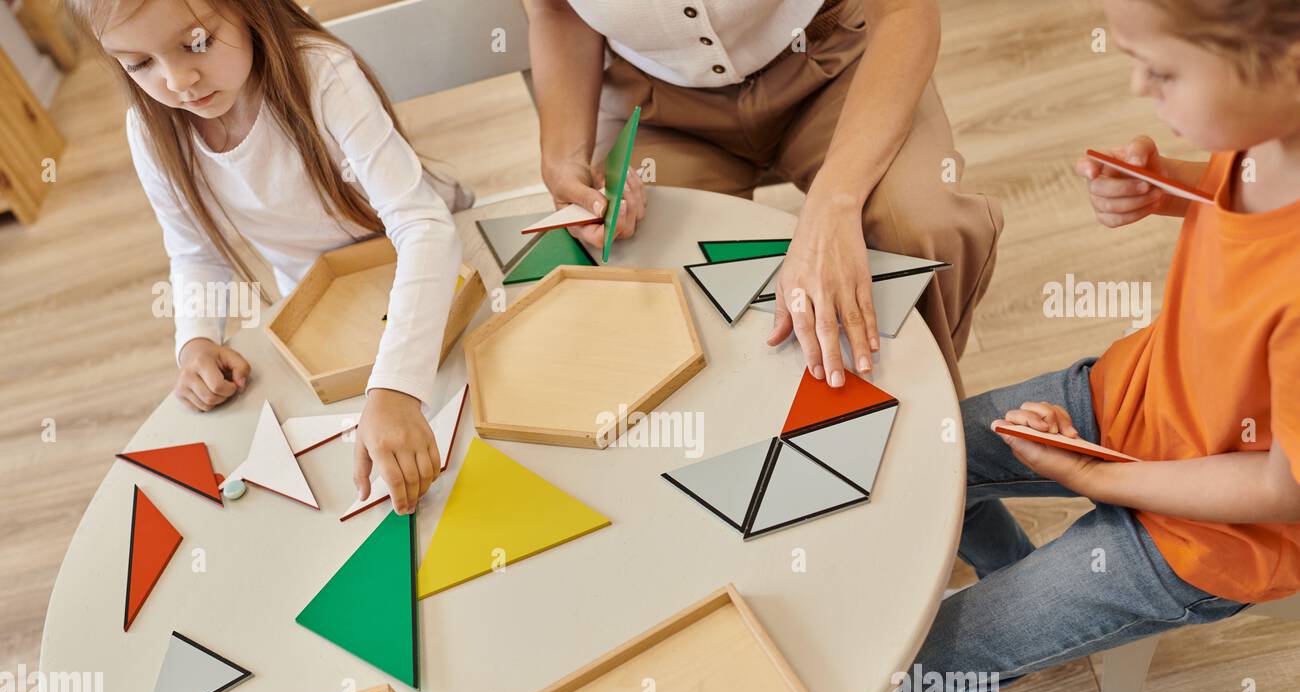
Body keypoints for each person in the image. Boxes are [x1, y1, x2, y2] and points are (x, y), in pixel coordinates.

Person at [855, 0, 1300, 692]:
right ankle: (1027, 593)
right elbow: (1250, 209)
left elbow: (1283, 487)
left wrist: (1101, 483)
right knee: (932, 455)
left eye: (1162, 72)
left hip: (1206, 537)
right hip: (1132, 402)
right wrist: (1172, 183)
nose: (1136, 84)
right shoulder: (1272, 132)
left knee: (934, 674)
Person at [70, 0, 472, 514]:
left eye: (196, 43)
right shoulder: (151, 130)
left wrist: (396, 388)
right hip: (327, 312)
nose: (178, 80)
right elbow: (196, 253)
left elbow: (422, 226)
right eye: (139, 64)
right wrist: (195, 340)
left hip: (443, 271)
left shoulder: (321, 73)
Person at [529, 0, 1003, 396]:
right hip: (658, 104)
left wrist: (831, 209)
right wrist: (564, 160)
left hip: (832, 60)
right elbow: (557, 11)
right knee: (640, 291)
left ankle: (939, 440)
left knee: (921, 229)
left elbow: (903, 10)